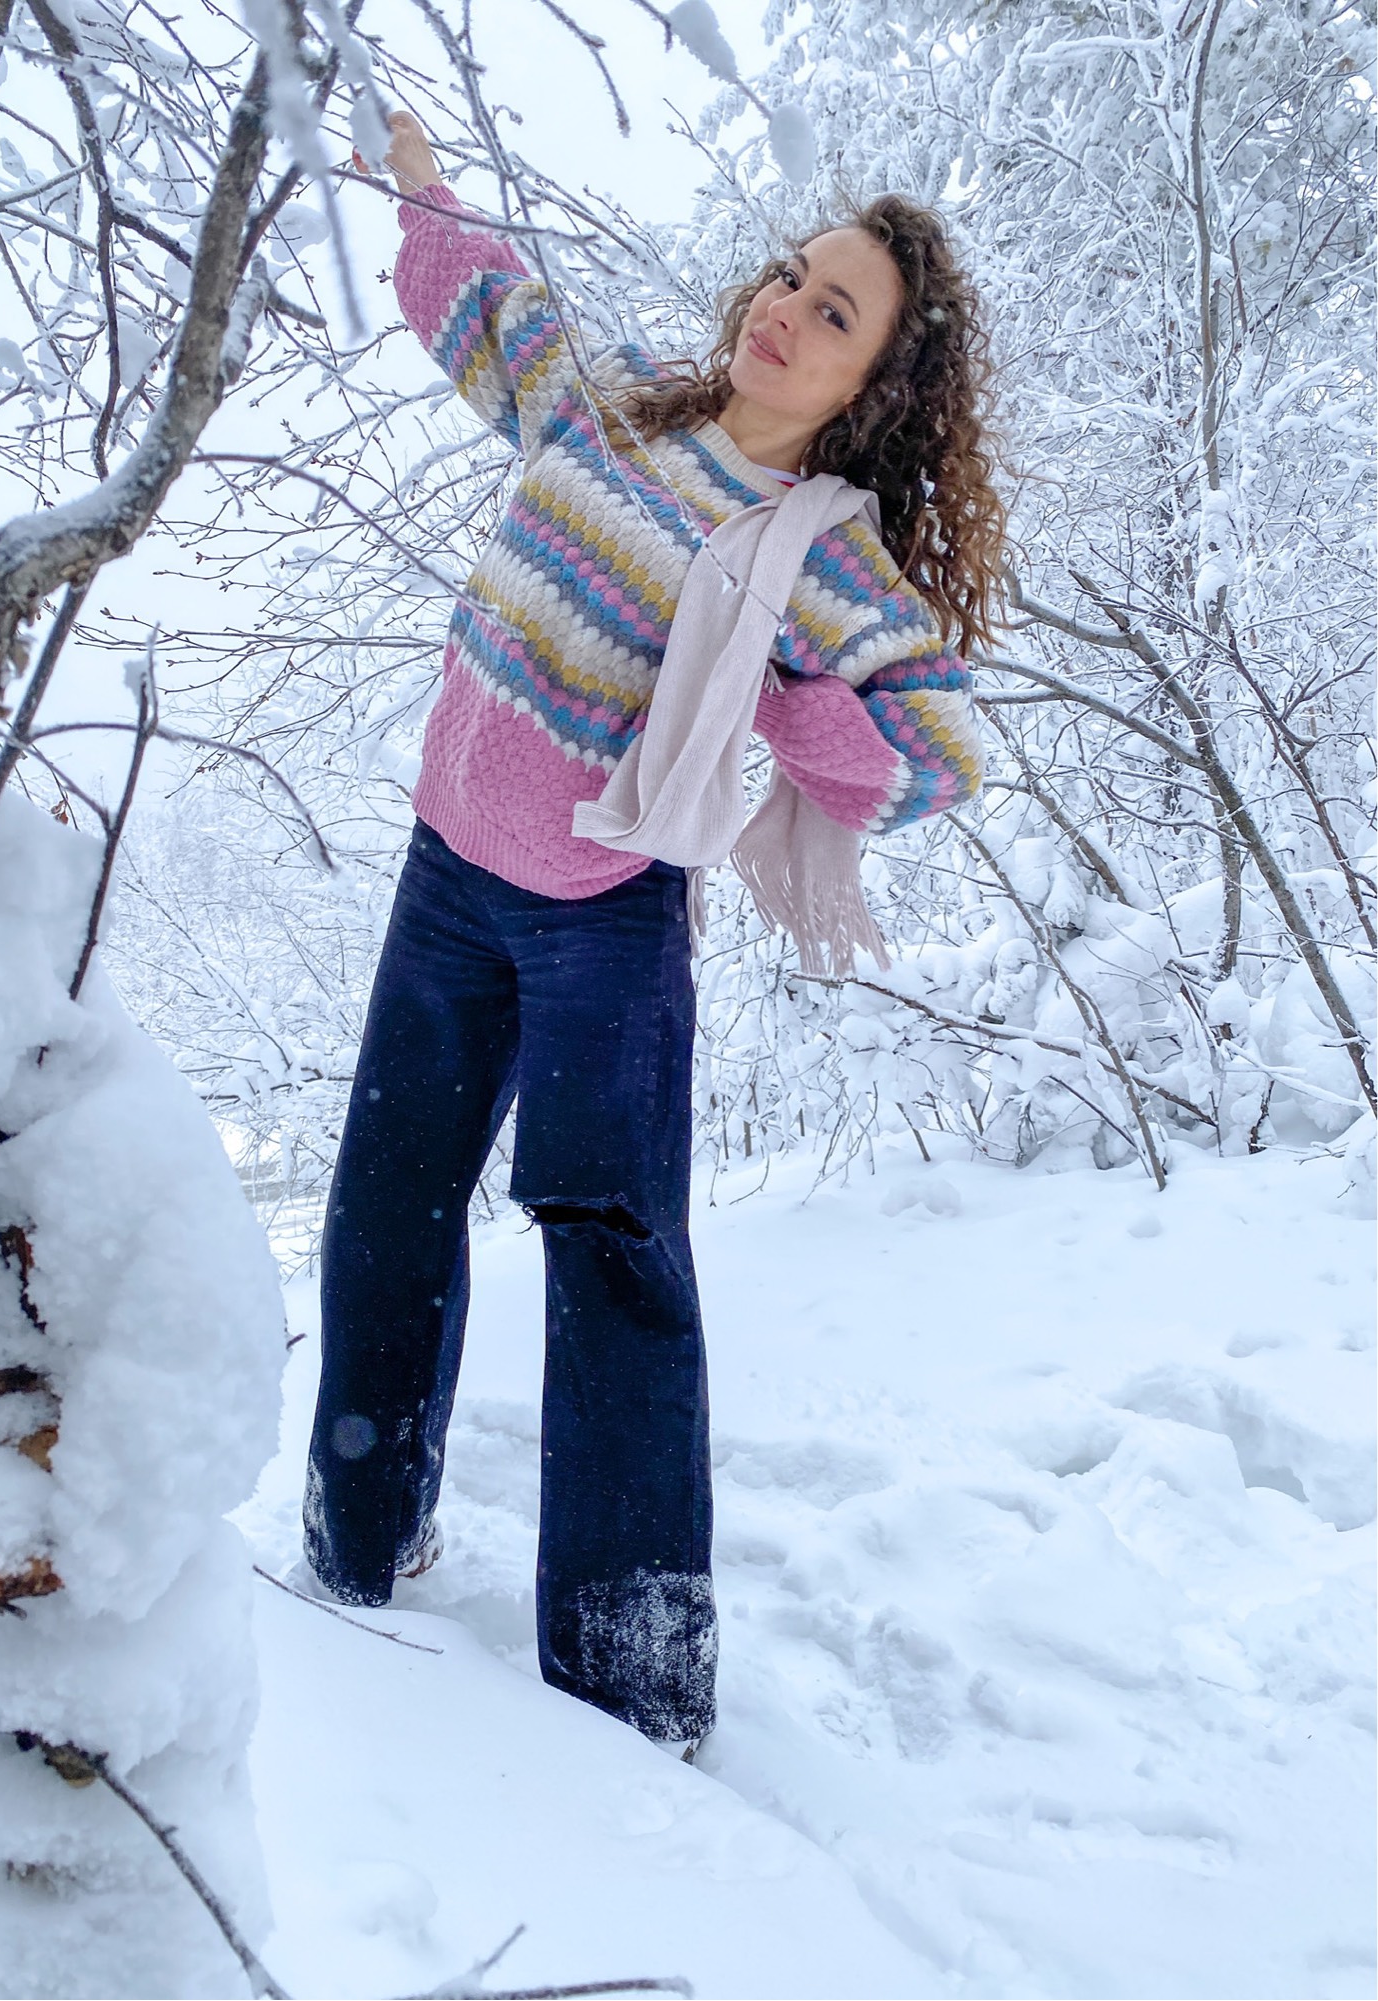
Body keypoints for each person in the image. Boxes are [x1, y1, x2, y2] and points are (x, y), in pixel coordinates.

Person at [302, 109, 1002, 1758]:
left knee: (611, 1265)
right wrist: (416, 180)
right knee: (386, 1207)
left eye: (834, 313)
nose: (784, 310)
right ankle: (355, 1538)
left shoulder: (819, 557)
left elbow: (929, 756)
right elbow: (494, 315)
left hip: (602, 928)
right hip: (443, 883)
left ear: (870, 386)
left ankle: (628, 1670)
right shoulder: (608, 405)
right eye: (788, 277)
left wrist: (772, 670)